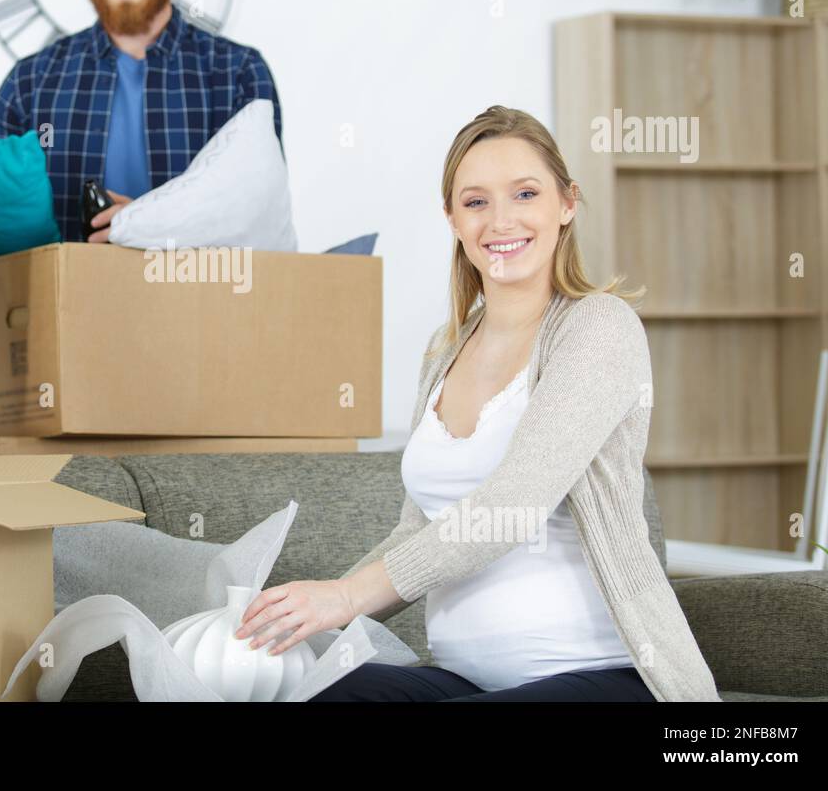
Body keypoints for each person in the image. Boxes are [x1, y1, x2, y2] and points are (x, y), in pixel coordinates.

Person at [232, 105, 723, 702]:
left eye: (524, 193)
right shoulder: (445, 354)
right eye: (475, 201)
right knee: (311, 695)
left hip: (607, 674)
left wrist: (347, 596)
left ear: (566, 203)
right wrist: (309, 617)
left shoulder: (599, 327)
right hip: (467, 682)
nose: (501, 220)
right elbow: (417, 532)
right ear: (452, 219)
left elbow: (513, 505)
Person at [0, 0, 283, 244]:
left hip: (198, 299)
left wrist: (145, 223)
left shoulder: (238, 74)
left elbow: (258, 220)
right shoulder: (29, 85)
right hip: (60, 301)